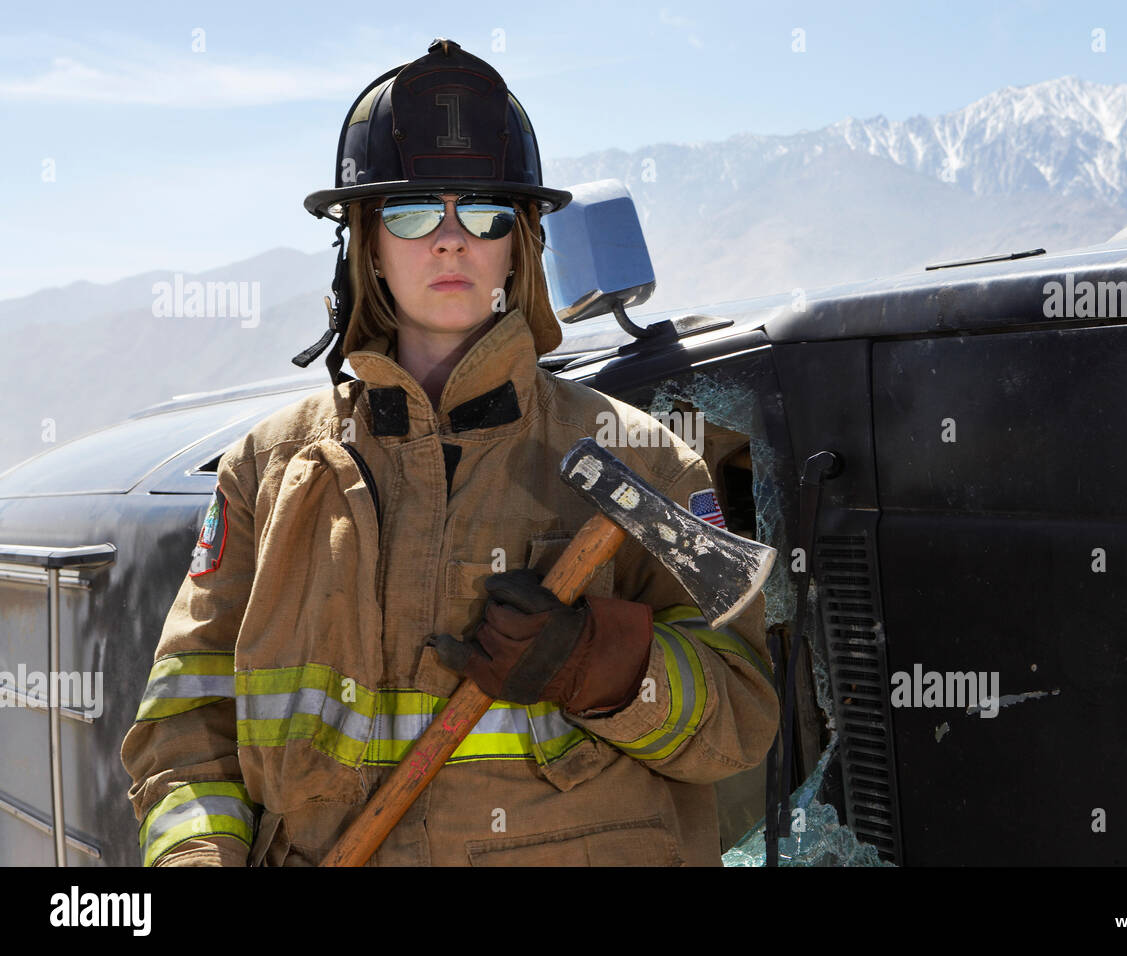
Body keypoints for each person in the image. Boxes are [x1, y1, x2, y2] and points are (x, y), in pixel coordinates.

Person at [120, 38, 778, 867]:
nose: (450, 239)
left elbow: (742, 723)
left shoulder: (640, 459)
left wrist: (593, 663)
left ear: (519, 245)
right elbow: (187, 721)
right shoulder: (269, 470)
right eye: (412, 211)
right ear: (366, 244)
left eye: (486, 213)